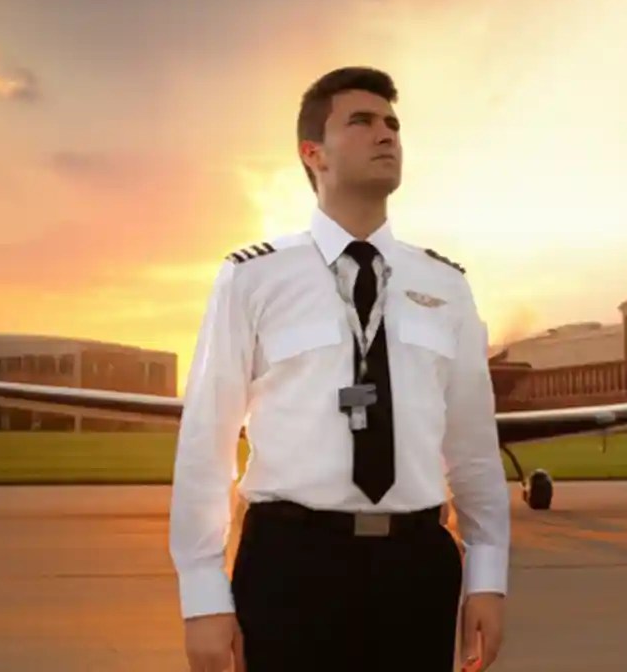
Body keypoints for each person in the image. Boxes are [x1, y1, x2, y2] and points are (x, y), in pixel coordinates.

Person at [168, 66, 511, 672]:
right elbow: (207, 440)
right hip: (290, 566)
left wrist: (487, 574)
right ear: (312, 153)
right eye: (363, 121)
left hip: (417, 568)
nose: (387, 134)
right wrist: (202, 595)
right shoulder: (252, 277)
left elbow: (474, 446)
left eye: (393, 123)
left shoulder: (445, 285)